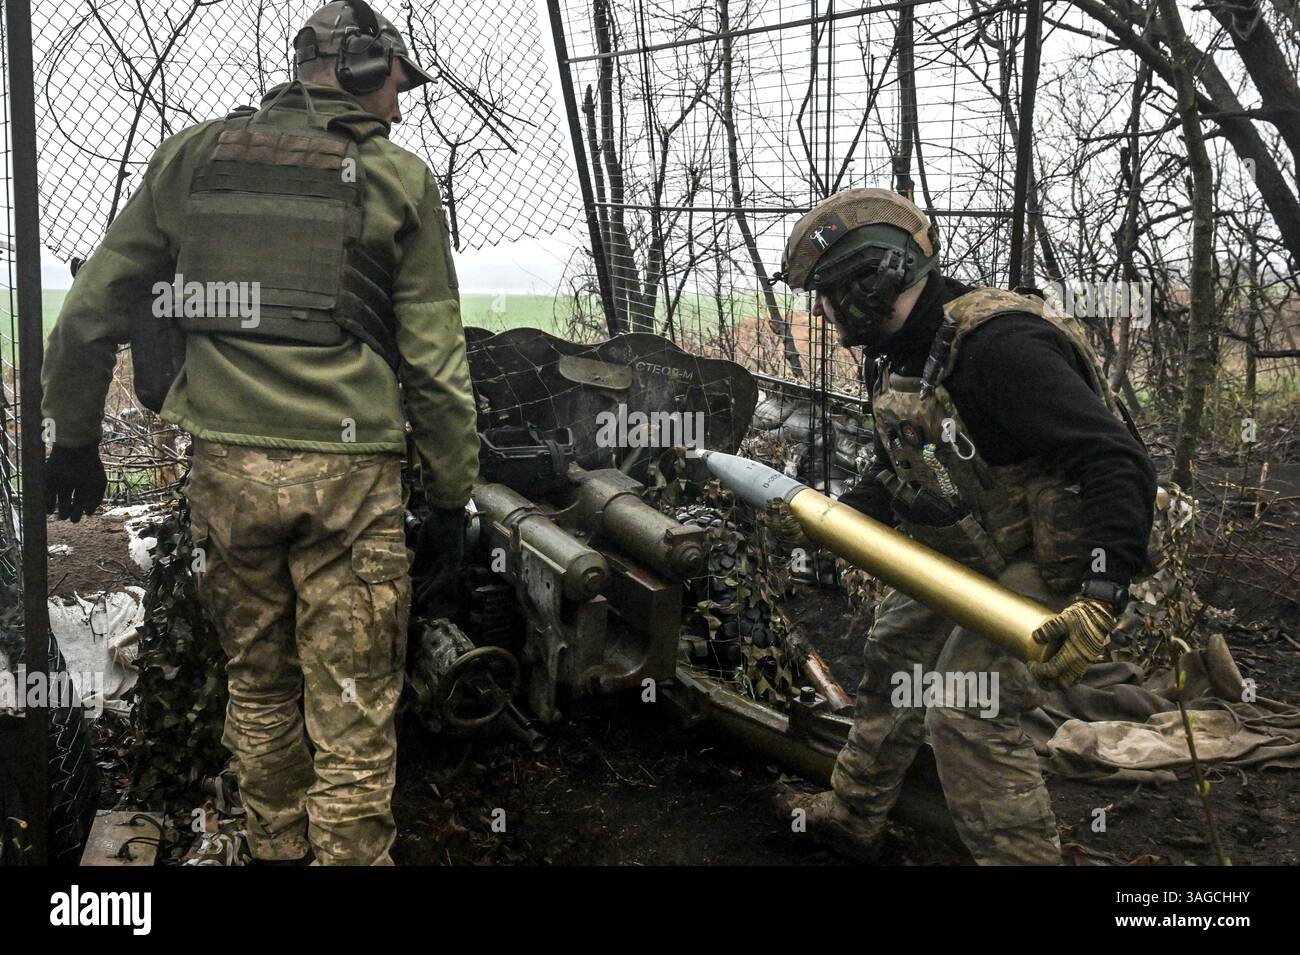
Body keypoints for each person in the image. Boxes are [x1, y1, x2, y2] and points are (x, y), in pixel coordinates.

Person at [41, 0, 479, 865]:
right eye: (397, 81)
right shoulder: (399, 179)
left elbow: (93, 306)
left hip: (229, 475)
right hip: (351, 480)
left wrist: (75, 439)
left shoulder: (193, 157)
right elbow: (435, 361)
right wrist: (453, 495)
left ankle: (276, 851)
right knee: (352, 707)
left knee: (260, 689)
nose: (401, 102)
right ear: (359, 68)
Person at [776, 188, 1157, 865]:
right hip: (981, 542)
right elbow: (908, 467)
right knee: (896, 646)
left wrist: (1102, 594)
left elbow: (1116, 460)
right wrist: (830, 520)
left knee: (963, 706)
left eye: (829, 295)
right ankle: (855, 811)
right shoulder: (903, 352)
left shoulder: (1000, 348)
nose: (824, 314)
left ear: (872, 282)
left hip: (1061, 557)